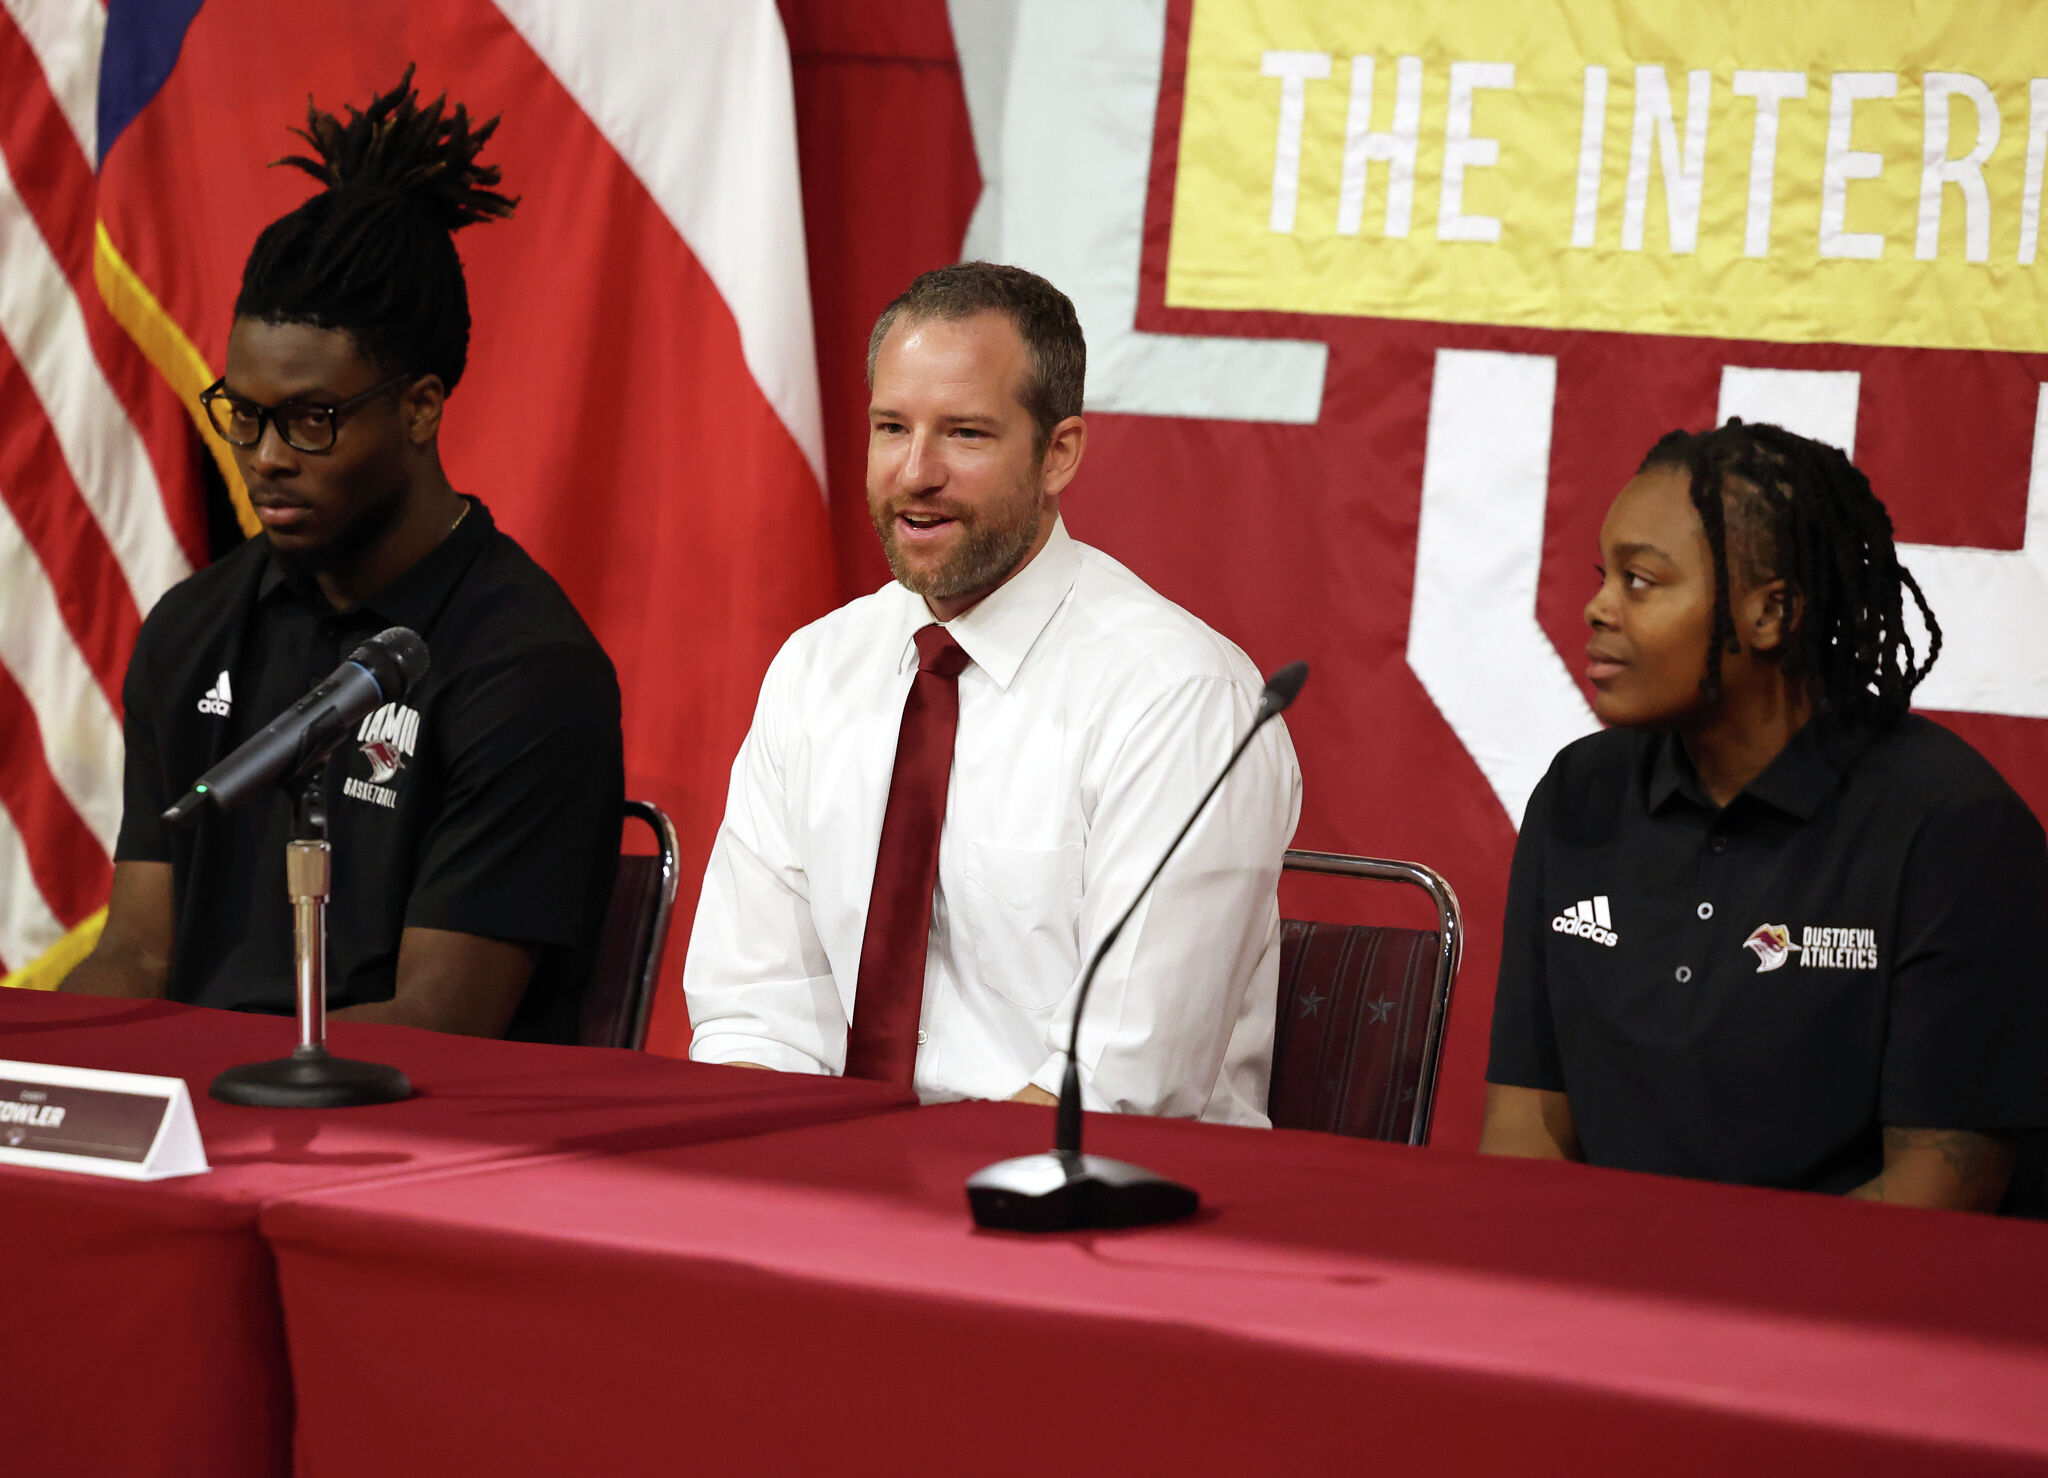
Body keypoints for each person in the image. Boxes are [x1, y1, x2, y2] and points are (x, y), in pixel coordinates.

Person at [63, 71, 624, 1044]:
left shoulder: (526, 668)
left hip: (409, 1146)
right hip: (195, 1123)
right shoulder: (192, 630)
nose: (267, 456)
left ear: (419, 406)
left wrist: (208, 1089)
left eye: (313, 419)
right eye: (245, 413)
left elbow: (440, 1021)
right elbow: (139, 954)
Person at [683, 262, 1301, 1122]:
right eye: (891, 426)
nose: (914, 472)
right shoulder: (816, 668)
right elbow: (754, 1009)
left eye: (965, 434)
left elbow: (1124, 1082)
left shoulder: (1178, 698)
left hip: (1093, 1209)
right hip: (834, 1190)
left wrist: (908, 1205)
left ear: (1059, 453)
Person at [1481, 420, 2048, 1211]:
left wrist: (1702, 1310)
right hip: (1602, 1302)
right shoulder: (1578, 796)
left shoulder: (1954, 830)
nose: (1597, 608)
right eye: (1603, 576)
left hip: (1841, 1313)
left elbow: (1939, 1197)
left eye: (1640, 581)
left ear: (1771, 613)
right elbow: (1525, 1135)